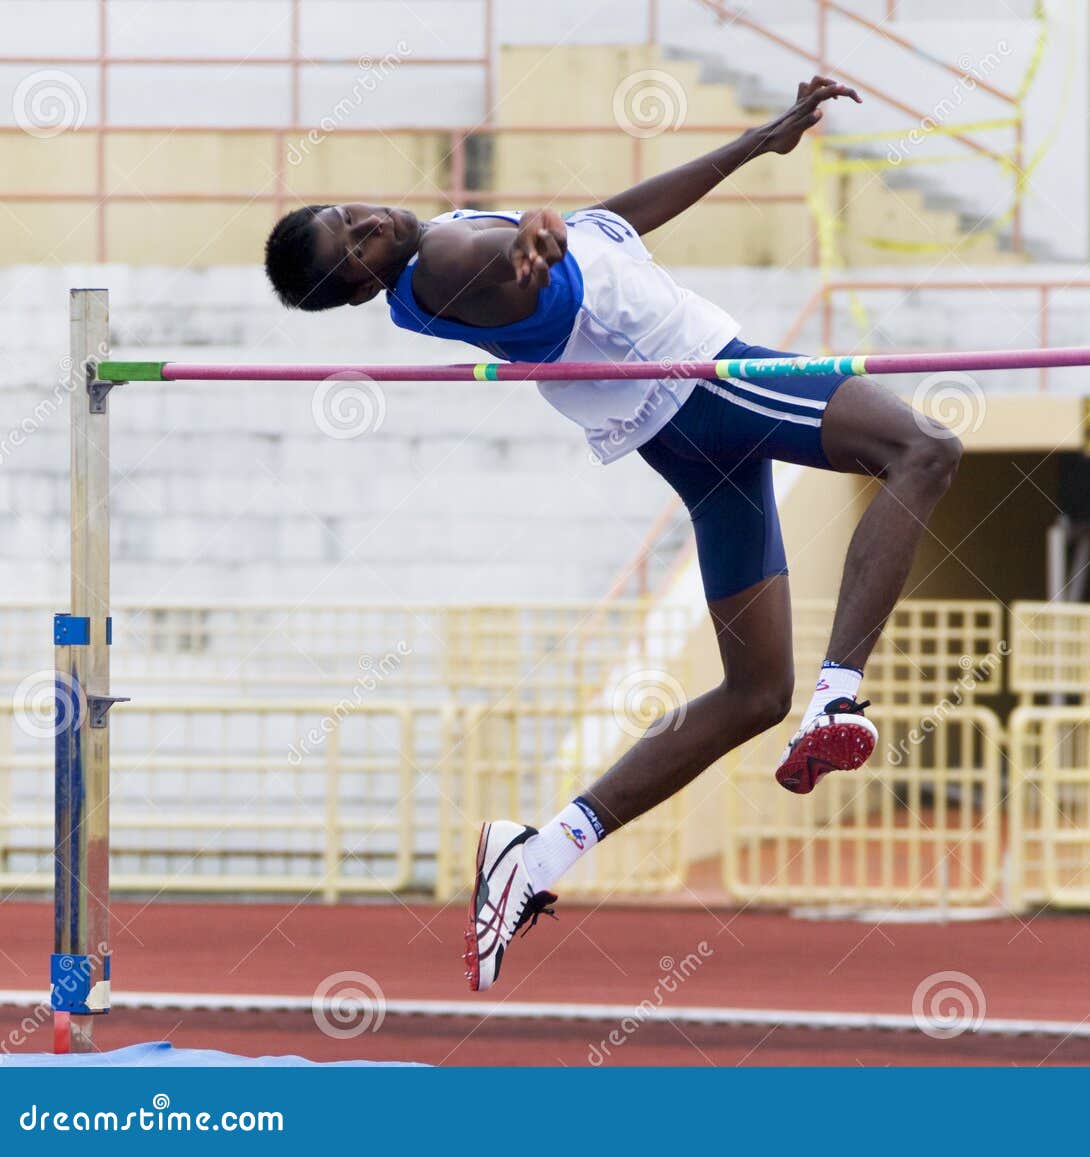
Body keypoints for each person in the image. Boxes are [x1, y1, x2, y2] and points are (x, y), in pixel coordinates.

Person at [263, 78, 962, 991]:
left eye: (347, 214)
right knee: (924, 447)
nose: (366, 226)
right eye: (351, 247)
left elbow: (607, 226)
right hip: (712, 385)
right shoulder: (438, 262)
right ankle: (839, 697)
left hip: (684, 430)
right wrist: (532, 239)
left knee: (753, 691)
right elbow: (507, 251)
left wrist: (754, 144)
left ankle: (539, 853)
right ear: (358, 287)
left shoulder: (431, 246)